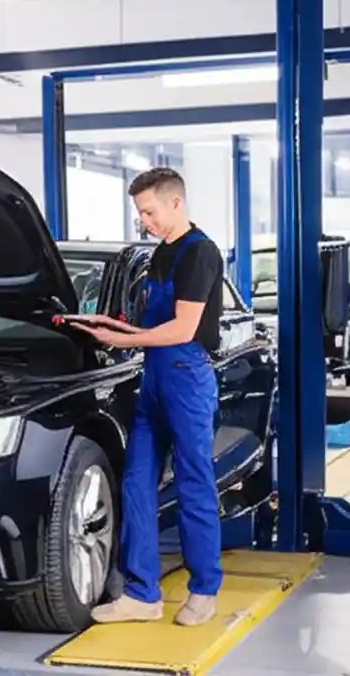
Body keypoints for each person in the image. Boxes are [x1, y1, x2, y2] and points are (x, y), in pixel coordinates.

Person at [69, 167, 225, 628]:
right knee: (137, 482)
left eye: (149, 211)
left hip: (186, 377)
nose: (145, 221)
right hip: (155, 377)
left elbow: (183, 328)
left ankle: (204, 590)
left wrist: (125, 342)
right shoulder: (161, 253)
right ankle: (142, 594)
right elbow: (151, 327)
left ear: (175, 202)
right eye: (140, 213)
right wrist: (115, 330)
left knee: (194, 482)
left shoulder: (200, 253)